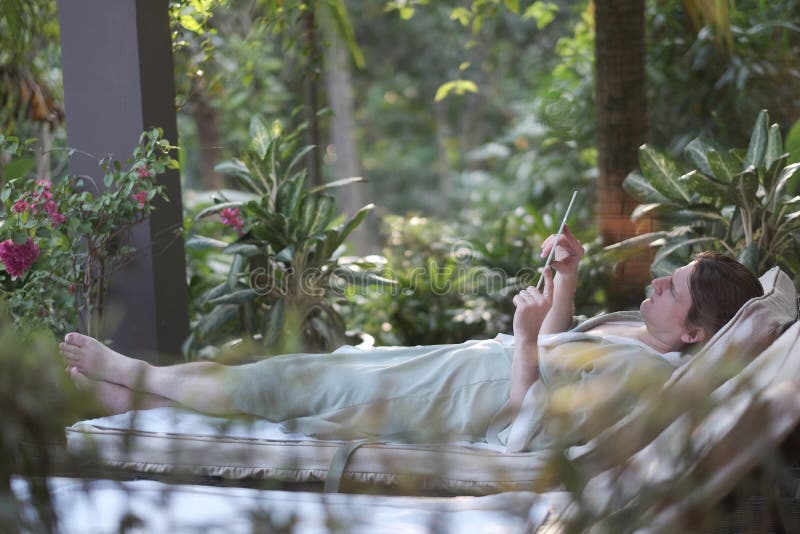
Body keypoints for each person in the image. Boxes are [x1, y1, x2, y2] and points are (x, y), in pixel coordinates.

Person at [61, 228, 764, 451]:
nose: (658, 282)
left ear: (693, 332)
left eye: (673, 289)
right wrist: (566, 282)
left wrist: (522, 339)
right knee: (293, 382)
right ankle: (137, 402)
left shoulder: (643, 378)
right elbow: (559, 350)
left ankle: (137, 375)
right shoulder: (633, 333)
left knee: (282, 385)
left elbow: (528, 430)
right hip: (450, 367)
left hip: (450, 399)